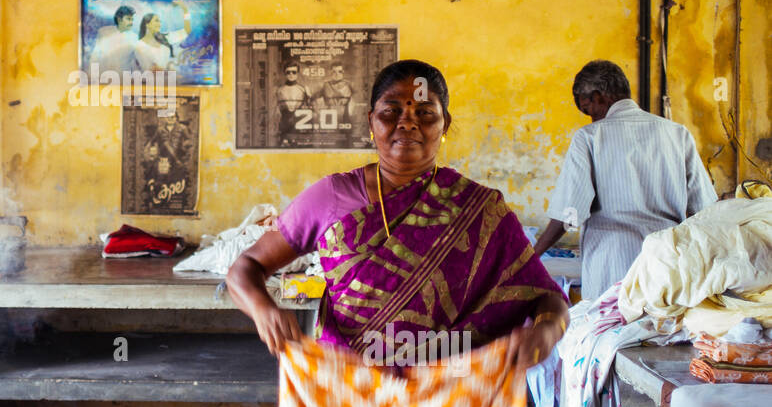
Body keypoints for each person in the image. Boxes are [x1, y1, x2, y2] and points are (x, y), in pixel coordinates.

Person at [228, 58, 568, 370]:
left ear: (445, 123)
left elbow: (547, 297)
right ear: (370, 122)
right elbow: (245, 269)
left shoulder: (481, 209)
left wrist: (547, 331)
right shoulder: (331, 197)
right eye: (391, 112)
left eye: (425, 113)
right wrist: (263, 309)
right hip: (349, 395)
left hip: (450, 400)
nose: (407, 123)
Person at [531, 60, 718, 302]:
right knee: (664, 336)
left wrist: (532, 255)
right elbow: (703, 210)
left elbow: (569, 213)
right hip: (668, 263)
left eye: (588, 110)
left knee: (612, 334)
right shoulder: (677, 134)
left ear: (599, 97)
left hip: (613, 267)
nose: (591, 120)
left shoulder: (590, 137)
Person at [90, 5, 137, 74]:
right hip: (104, 77)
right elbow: (95, 57)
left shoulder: (134, 37)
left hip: (124, 79)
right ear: (119, 19)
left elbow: (135, 62)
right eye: (128, 19)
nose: (131, 23)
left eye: (132, 19)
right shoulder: (104, 32)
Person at [275, 63, 308, 147]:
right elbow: (276, 108)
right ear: (284, 73)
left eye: (294, 72)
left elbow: (308, 107)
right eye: (288, 72)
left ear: (297, 74)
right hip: (284, 124)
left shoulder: (303, 89)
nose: (291, 74)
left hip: (299, 124)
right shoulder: (279, 90)